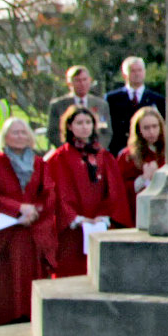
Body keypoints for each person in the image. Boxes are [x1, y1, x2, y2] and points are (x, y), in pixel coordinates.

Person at [0, 117, 50, 327]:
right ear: (4, 137)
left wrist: (35, 211)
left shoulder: (40, 164)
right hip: (5, 237)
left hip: (32, 235)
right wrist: (18, 208)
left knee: (31, 284)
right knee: (6, 287)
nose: (19, 136)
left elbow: (49, 194)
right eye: (14, 132)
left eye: (23, 132)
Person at [38, 105, 117, 280]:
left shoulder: (104, 157)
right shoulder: (58, 158)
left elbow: (114, 192)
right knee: (71, 274)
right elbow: (55, 194)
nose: (84, 126)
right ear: (69, 126)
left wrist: (103, 216)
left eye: (88, 122)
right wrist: (76, 218)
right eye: (79, 122)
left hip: (99, 226)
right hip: (71, 231)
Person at [109, 105, 166, 229]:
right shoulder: (128, 156)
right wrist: (143, 179)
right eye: (146, 128)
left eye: (155, 126)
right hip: (137, 212)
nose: (151, 132)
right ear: (138, 130)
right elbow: (118, 188)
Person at [107, 57, 164, 148]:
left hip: (148, 148)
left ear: (144, 72)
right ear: (124, 74)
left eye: (139, 70)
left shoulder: (157, 99)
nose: (137, 74)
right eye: (132, 71)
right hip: (119, 148)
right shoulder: (112, 99)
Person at [47, 65, 109, 148]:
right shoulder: (58, 105)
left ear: (90, 80)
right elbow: (53, 132)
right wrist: (68, 149)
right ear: (69, 83)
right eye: (77, 80)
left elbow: (106, 132)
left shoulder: (101, 104)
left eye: (84, 79)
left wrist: (97, 148)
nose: (82, 84)